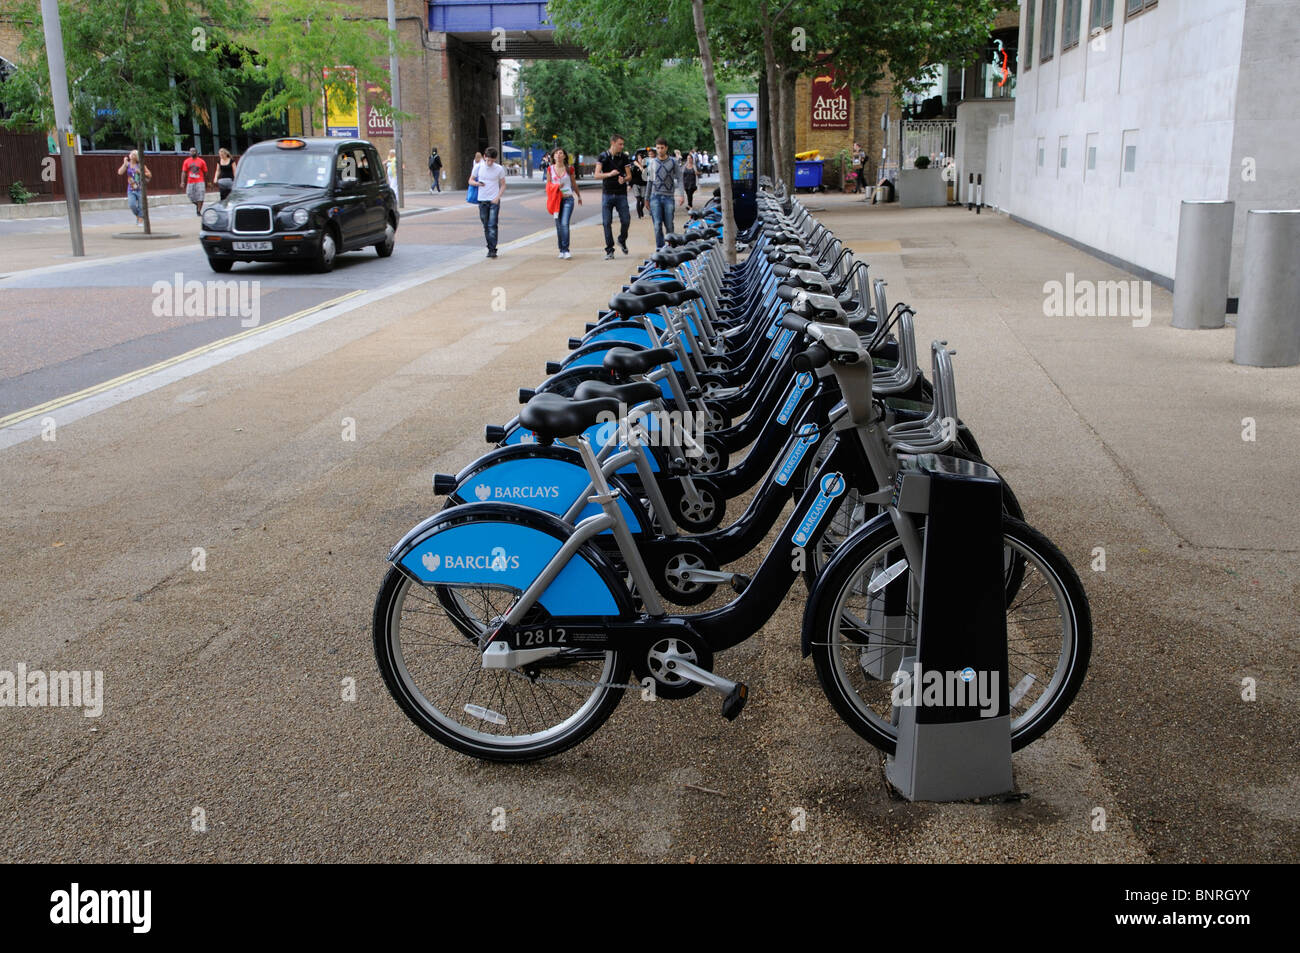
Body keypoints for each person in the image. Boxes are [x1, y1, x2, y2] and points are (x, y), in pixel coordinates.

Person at [594, 134, 633, 260]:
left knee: (626, 220)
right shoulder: (603, 156)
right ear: (613, 143)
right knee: (606, 222)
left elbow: (629, 176)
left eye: (623, 144)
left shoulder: (625, 157)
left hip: (621, 193)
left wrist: (624, 179)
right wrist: (610, 174)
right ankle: (609, 249)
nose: (622, 146)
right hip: (607, 193)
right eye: (620, 144)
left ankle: (622, 239)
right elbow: (597, 175)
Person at [645, 137, 685, 250]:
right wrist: (646, 198)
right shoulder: (652, 162)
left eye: (662, 148)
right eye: (658, 148)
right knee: (657, 225)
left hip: (668, 197)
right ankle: (660, 248)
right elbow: (649, 181)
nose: (660, 150)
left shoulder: (673, 162)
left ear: (666, 148)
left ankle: (671, 247)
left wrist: (681, 194)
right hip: (655, 197)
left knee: (669, 225)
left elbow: (680, 179)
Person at [468, 146, 506, 258]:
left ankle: (492, 249)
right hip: (482, 200)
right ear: (484, 156)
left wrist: (498, 197)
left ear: (495, 159)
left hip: (494, 200)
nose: (489, 163)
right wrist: (477, 183)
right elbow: (470, 180)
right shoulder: (478, 167)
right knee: (486, 225)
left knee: (492, 225)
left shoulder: (499, 169)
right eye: (488, 160)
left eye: (492, 161)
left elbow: (503, 184)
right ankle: (490, 246)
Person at [545, 145, 582, 259]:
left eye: (561, 153)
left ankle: (566, 250)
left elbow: (573, 183)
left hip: (568, 199)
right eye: (556, 153)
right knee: (559, 226)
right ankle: (561, 249)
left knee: (565, 224)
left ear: (565, 156)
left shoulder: (569, 168)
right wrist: (556, 187)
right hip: (556, 200)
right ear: (553, 156)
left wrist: (579, 196)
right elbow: (548, 185)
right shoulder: (550, 169)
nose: (558, 155)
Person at [117, 150, 151, 226]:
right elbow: (120, 172)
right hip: (131, 188)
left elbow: (149, 174)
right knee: (131, 205)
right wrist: (124, 164)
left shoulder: (140, 165)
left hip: (140, 188)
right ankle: (139, 217)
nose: (132, 155)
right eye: (131, 154)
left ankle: (140, 220)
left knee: (142, 206)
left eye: (134, 154)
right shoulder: (127, 165)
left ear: (137, 157)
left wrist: (140, 172)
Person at [180, 147, 207, 217]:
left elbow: (205, 172)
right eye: (191, 151)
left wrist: (208, 182)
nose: (192, 153)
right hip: (190, 181)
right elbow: (184, 172)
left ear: (196, 152)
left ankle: (198, 211)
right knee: (189, 195)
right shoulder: (186, 161)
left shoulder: (201, 161)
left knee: (201, 196)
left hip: (200, 181)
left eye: (193, 151)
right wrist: (182, 182)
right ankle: (197, 204)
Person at [629, 149, 647, 219]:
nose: (640, 159)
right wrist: (630, 185)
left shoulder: (645, 166)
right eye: (639, 158)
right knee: (638, 199)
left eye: (641, 158)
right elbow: (631, 176)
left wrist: (641, 167)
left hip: (643, 184)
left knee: (643, 200)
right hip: (635, 184)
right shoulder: (634, 166)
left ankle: (641, 210)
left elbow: (646, 175)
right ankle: (639, 215)